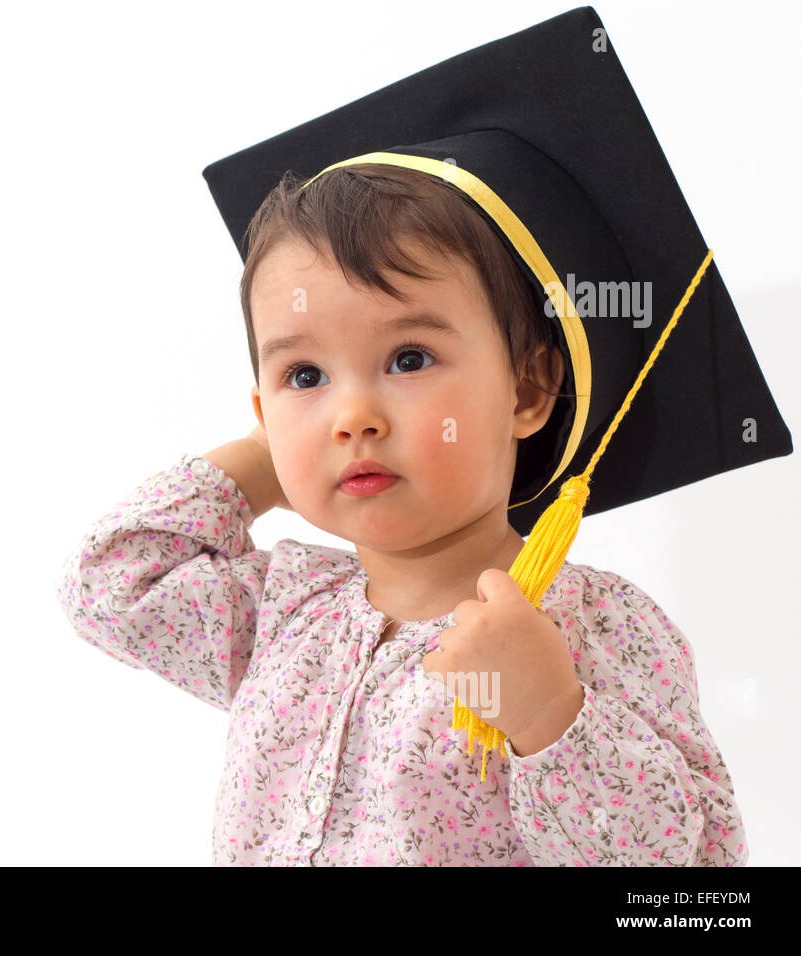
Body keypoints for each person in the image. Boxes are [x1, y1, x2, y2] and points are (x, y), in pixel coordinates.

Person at [55, 7, 776, 865]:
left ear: (530, 388)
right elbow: (109, 583)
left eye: (407, 356)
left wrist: (552, 719)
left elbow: (694, 883)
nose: (352, 415)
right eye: (305, 375)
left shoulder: (593, 629)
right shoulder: (281, 617)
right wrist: (275, 456)